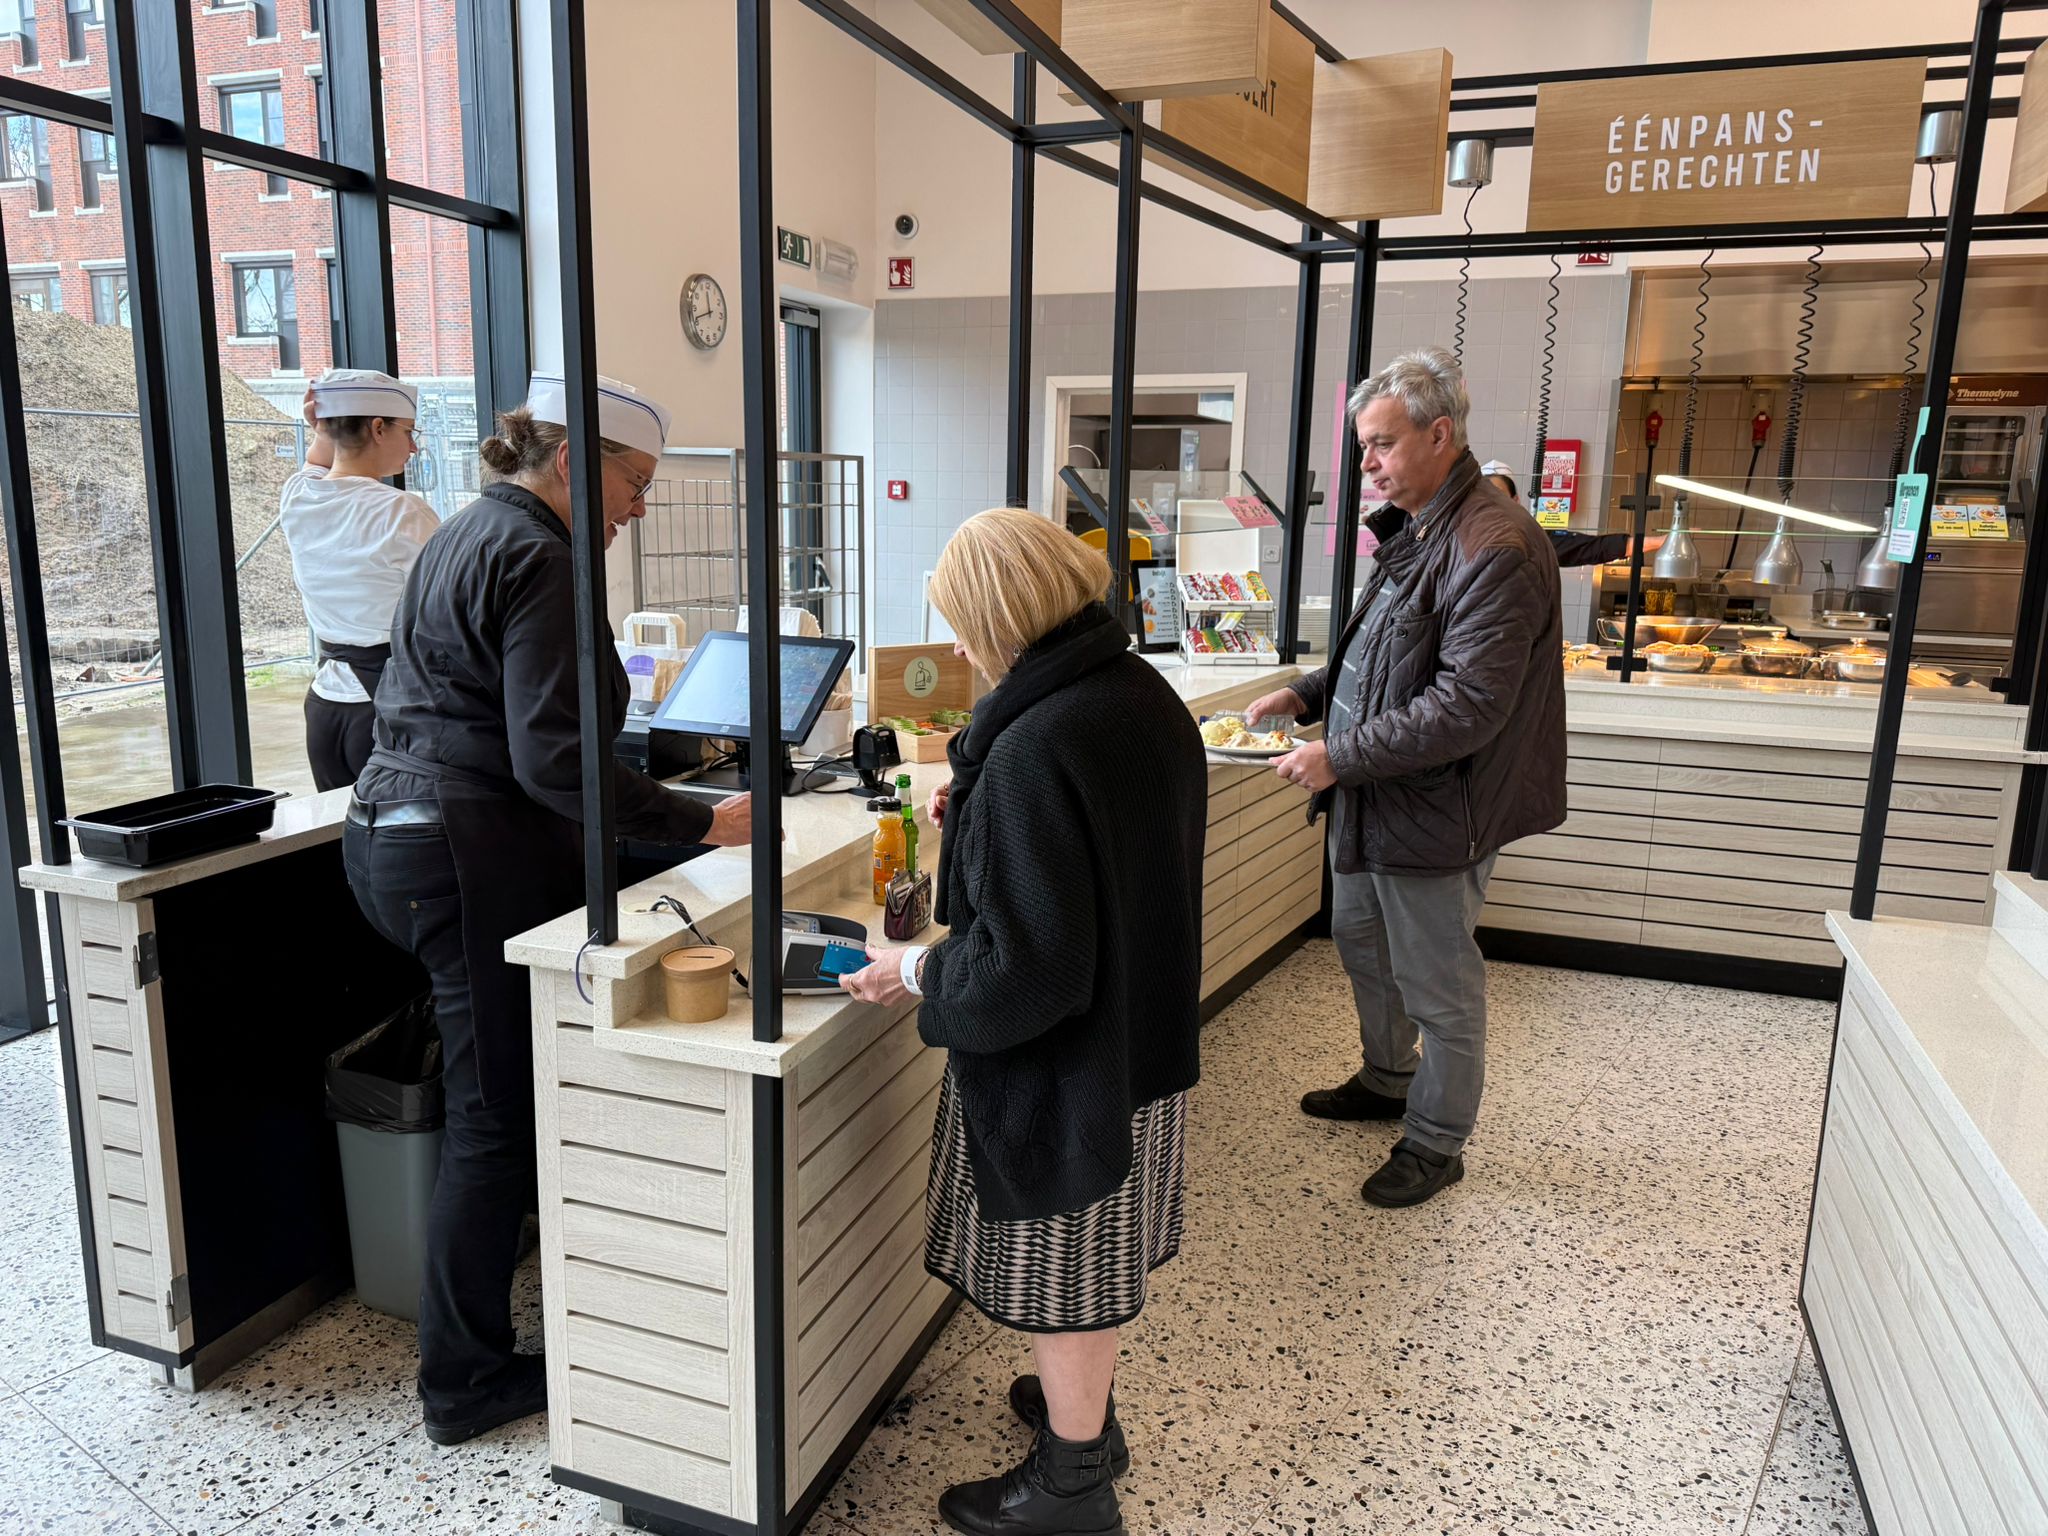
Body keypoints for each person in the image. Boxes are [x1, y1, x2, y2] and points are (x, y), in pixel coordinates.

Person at [343, 372, 754, 1446]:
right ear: (575, 460)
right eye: (637, 480)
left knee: (495, 1106)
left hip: (392, 833)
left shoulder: (468, 531)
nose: (642, 505)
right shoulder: (543, 558)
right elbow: (560, 759)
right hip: (458, 849)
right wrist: (701, 825)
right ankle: (463, 1381)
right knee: (490, 1121)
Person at [838, 508, 1207, 1536]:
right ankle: (1077, 1417)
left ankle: (1073, 1484)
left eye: (963, 625)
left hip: (1073, 1067)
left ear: (1000, 618)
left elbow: (1027, 973)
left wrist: (912, 967)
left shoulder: (1034, 746)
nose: (955, 647)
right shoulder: (1135, 695)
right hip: (1143, 1038)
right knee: (1096, 1251)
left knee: (1066, 1266)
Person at [1247, 349, 1564, 1209]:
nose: (1369, 465)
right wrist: (1307, 694)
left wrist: (1336, 756)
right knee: (1364, 948)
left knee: (1438, 987)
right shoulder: (1420, 527)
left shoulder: (1493, 544)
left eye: (1382, 444)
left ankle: (1435, 1140)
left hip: (1434, 811)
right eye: (1363, 448)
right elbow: (1385, 653)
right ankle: (1387, 1079)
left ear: (1440, 434)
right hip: (1374, 802)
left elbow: (1467, 707)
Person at [279, 369, 438, 790]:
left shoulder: (298, 495)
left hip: (325, 707)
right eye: (408, 431)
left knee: (337, 843)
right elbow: (450, 609)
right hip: (389, 704)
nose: (415, 446)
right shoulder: (402, 511)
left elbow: (316, 462)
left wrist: (323, 424)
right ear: (378, 428)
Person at [1479, 458, 1664, 569]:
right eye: (1483, 497)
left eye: (1499, 496)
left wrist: (1659, 542)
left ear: (1515, 501)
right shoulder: (1458, 537)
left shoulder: (1531, 540)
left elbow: (1593, 548)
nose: (1491, 504)